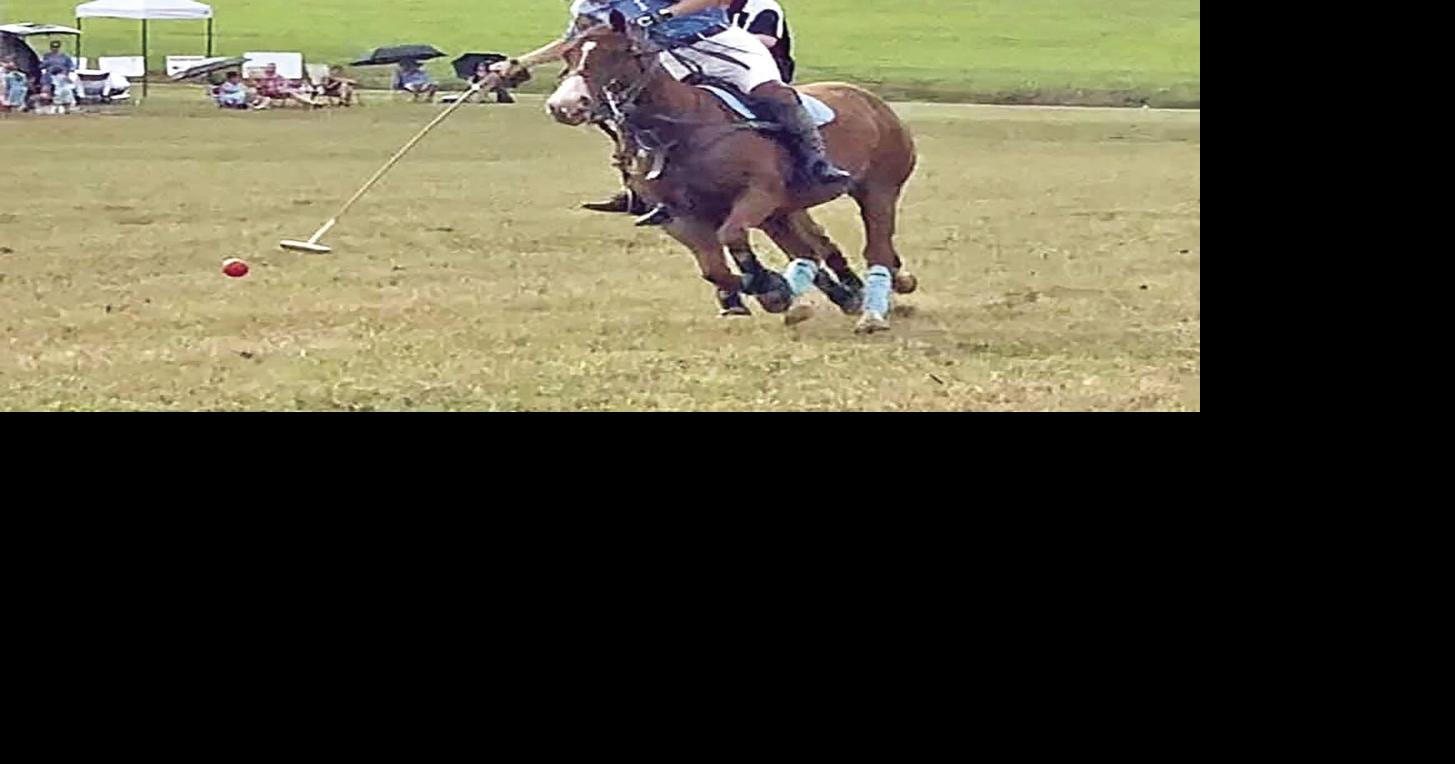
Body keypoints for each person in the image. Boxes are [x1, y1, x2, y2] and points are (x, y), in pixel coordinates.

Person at [494, 0, 849, 224]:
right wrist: (519, 62)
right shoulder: (587, 7)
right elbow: (573, 42)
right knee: (637, 111)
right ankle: (651, 191)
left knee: (770, 93)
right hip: (665, 58)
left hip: (718, 44)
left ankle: (816, 161)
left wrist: (664, 14)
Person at [728, 0, 793, 83]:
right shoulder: (723, 5)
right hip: (734, 64)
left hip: (766, 69)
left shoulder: (764, 6)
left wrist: (731, 40)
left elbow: (768, 40)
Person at [250, 63, 316, 109]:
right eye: (269, 68)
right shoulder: (261, 76)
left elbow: (286, 82)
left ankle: (312, 103)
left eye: (272, 68)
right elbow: (255, 83)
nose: (270, 69)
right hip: (266, 94)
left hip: (278, 93)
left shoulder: (278, 76)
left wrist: (284, 87)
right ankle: (258, 107)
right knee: (266, 98)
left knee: (292, 93)